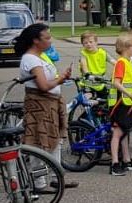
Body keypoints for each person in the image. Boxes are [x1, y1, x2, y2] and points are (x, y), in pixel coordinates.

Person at [15, 23, 79, 188]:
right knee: (39, 141)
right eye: (47, 38)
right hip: (40, 106)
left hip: (50, 105)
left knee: (54, 141)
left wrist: (60, 78)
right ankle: (39, 182)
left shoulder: (41, 56)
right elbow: (43, 85)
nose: (50, 41)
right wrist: (61, 79)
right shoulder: (31, 59)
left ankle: (56, 177)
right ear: (36, 40)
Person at [108, 32, 132, 175]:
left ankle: (127, 160)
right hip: (120, 102)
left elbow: (129, 83)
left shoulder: (127, 62)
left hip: (127, 102)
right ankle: (114, 163)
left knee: (125, 131)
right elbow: (117, 83)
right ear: (126, 48)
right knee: (117, 133)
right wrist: (129, 94)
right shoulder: (121, 62)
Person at [78, 31, 111, 103]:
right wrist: (87, 74)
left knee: (106, 100)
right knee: (89, 100)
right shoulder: (84, 54)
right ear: (83, 44)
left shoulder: (102, 53)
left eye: (91, 42)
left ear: (96, 42)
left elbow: (113, 61)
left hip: (100, 82)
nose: (88, 44)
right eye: (85, 43)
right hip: (88, 82)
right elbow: (84, 65)